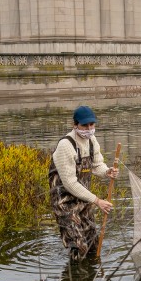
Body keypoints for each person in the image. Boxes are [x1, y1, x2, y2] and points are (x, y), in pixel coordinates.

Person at [49, 105, 118, 258]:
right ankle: (75, 278)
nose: (88, 129)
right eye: (84, 125)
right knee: (79, 247)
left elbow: (97, 165)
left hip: (84, 201)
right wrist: (97, 201)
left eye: (91, 125)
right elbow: (70, 183)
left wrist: (107, 171)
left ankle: (90, 278)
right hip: (65, 203)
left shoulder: (92, 141)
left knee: (93, 245)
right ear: (75, 125)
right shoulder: (66, 146)